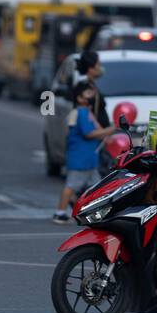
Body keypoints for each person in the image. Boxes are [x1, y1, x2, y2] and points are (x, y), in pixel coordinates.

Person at [53, 80, 116, 224]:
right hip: (80, 158)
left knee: (96, 186)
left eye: (93, 92)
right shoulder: (80, 113)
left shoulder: (86, 112)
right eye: (88, 93)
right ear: (79, 98)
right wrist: (110, 130)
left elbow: (97, 130)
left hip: (89, 158)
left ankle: (92, 211)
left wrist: (106, 134)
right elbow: (89, 133)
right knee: (71, 186)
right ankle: (60, 212)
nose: (92, 95)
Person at [76, 50, 108, 127]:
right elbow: (87, 114)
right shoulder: (84, 88)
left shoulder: (91, 85)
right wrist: (103, 132)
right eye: (99, 65)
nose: (101, 68)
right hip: (95, 134)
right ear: (91, 68)